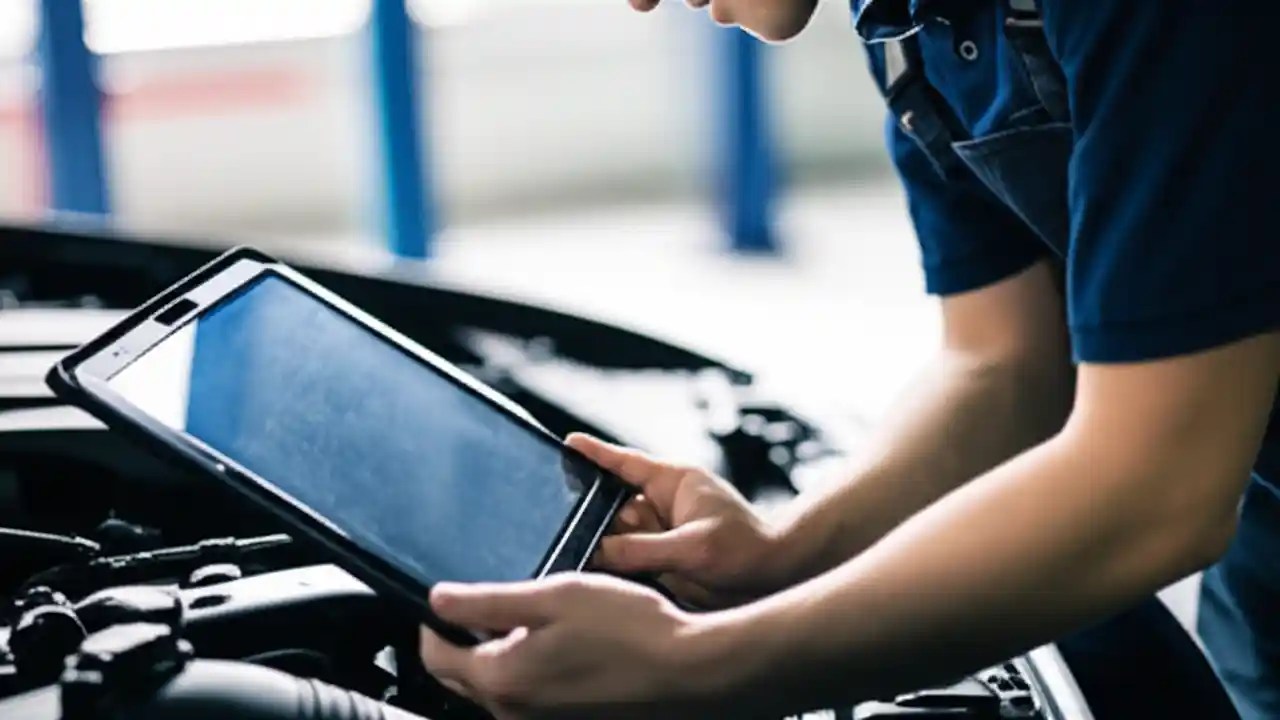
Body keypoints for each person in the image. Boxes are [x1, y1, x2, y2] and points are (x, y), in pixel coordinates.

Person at [419, 0, 1280, 717]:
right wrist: (780, 552)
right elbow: (1007, 367)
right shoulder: (902, 19)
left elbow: (1157, 483)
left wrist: (699, 665)